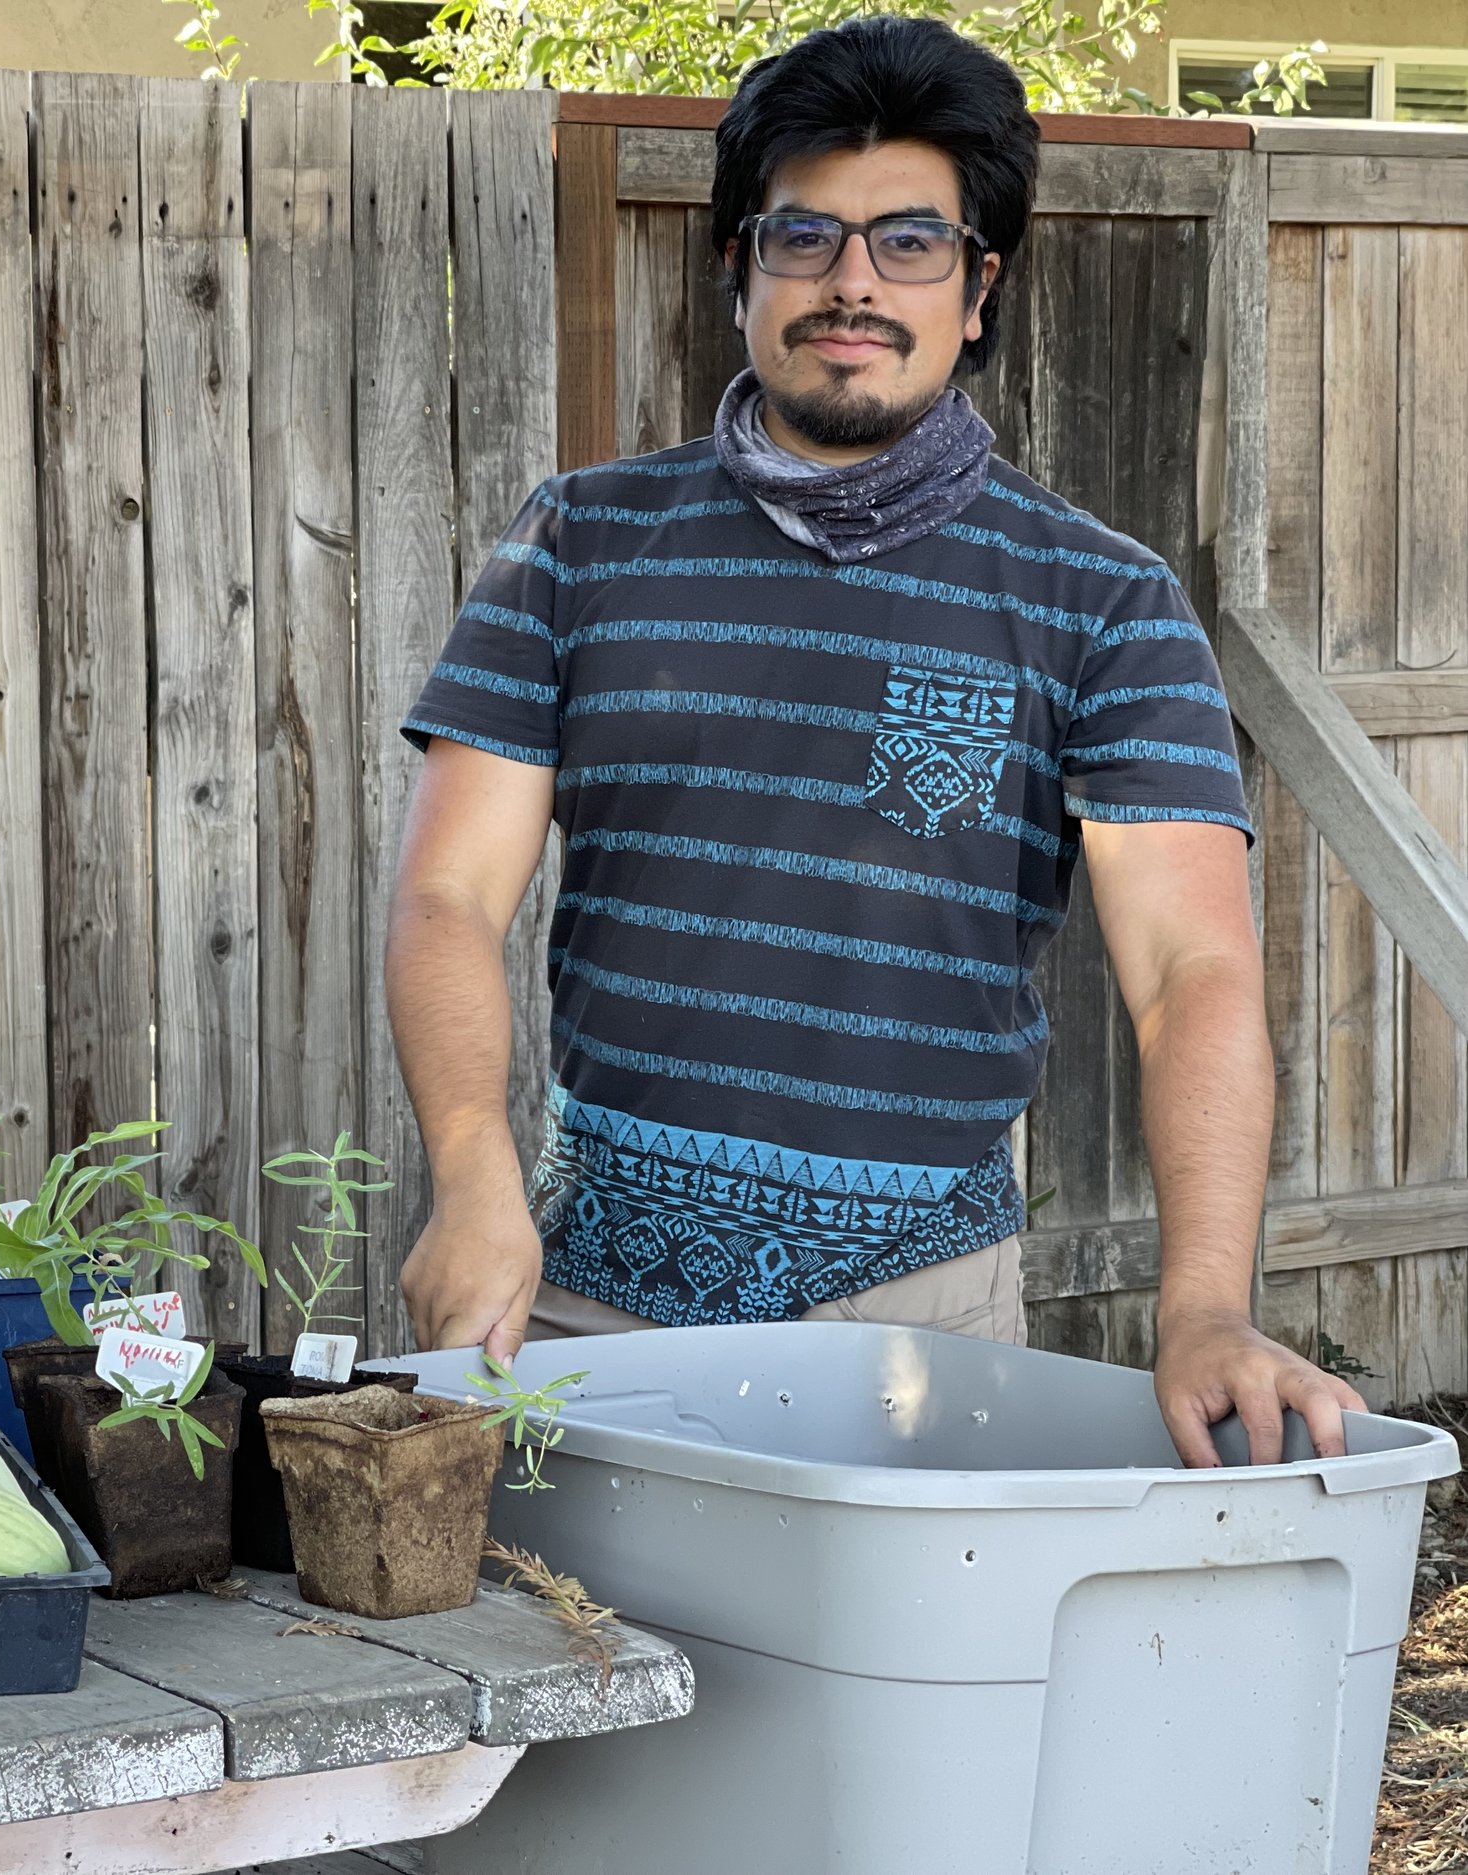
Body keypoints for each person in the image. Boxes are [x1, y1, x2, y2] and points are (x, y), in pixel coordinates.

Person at [388, 14, 1363, 1467]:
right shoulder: (579, 542)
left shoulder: (1102, 600)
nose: (853, 282)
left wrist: (1208, 1305)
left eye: (910, 242)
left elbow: (1192, 976)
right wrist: (474, 1180)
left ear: (979, 288)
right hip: (576, 1310)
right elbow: (447, 894)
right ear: (739, 268)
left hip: (925, 1329)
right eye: (805, 237)